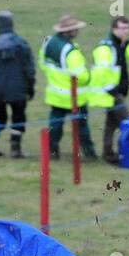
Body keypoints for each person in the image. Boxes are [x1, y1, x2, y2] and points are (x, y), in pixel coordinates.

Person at [0, 10, 36, 159]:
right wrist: (30, 87)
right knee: (18, 117)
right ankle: (15, 148)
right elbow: (30, 69)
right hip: (18, 89)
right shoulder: (23, 44)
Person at [40, 15, 97, 161]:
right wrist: (90, 77)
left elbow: (43, 64)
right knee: (82, 127)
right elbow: (81, 77)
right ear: (69, 31)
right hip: (75, 97)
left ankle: (52, 151)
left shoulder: (48, 43)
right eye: (75, 29)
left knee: (55, 125)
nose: (77, 31)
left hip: (56, 95)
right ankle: (89, 153)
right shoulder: (71, 52)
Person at [88, 16, 129, 163]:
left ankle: (108, 153)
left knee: (111, 123)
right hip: (111, 93)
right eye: (122, 28)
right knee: (126, 123)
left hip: (118, 91)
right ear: (114, 29)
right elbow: (101, 72)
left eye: (127, 28)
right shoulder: (106, 48)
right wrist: (112, 89)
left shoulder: (122, 45)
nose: (125, 31)